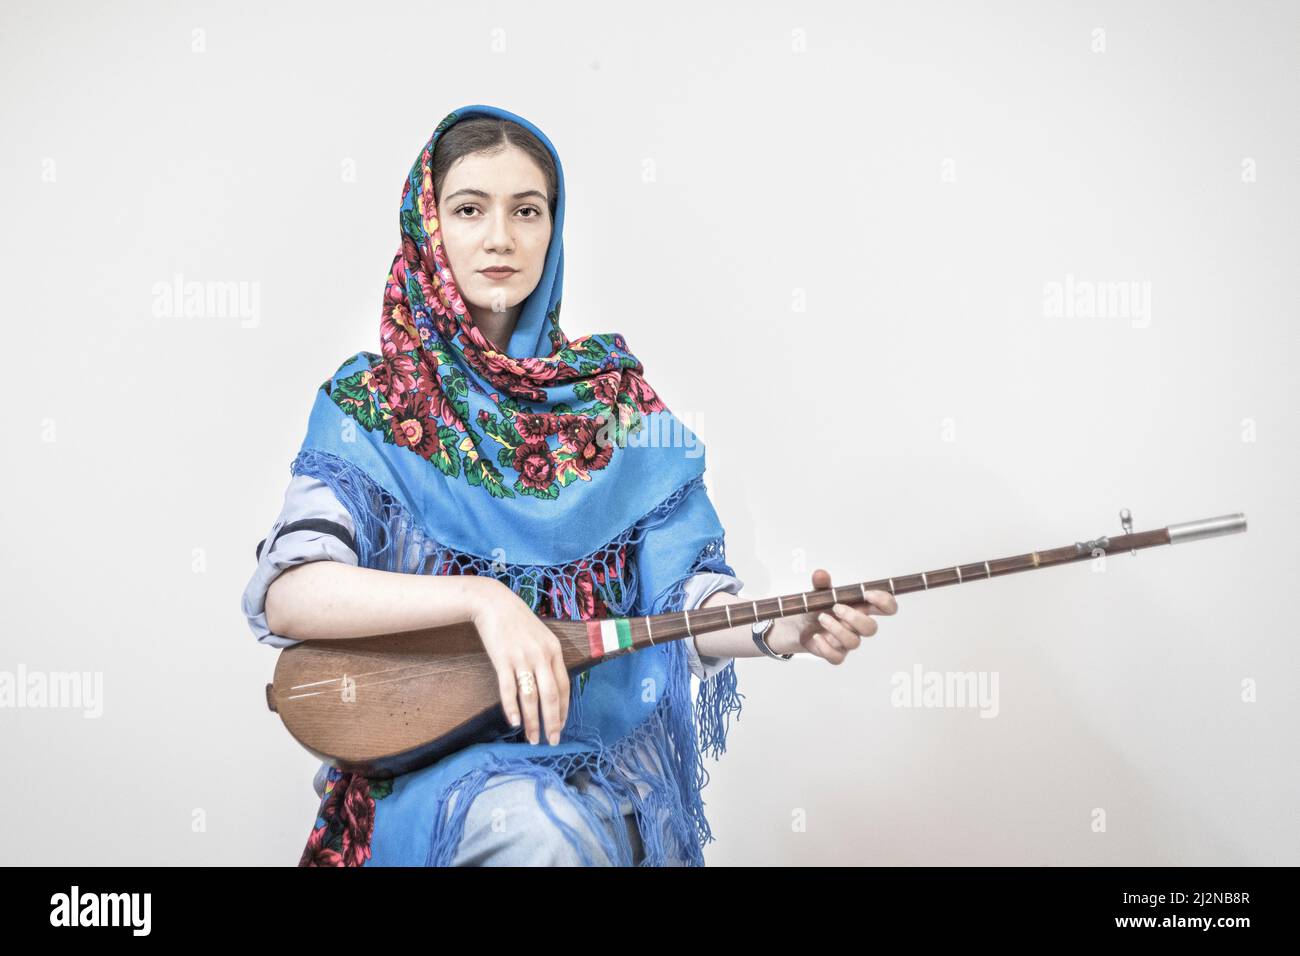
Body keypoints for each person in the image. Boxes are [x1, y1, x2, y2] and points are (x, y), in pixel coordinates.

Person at [240, 104, 897, 867]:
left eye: (527, 211)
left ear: (554, 229)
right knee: (541, 831)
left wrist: (778, 630)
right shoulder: (372, 404)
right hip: (429, 772)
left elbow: (681, 600)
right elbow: (291, 591)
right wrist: (484, 601)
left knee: (588, 823)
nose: (500, 238)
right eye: (469, 209)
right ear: (429, 227)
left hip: (589, 765)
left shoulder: (614, 404)